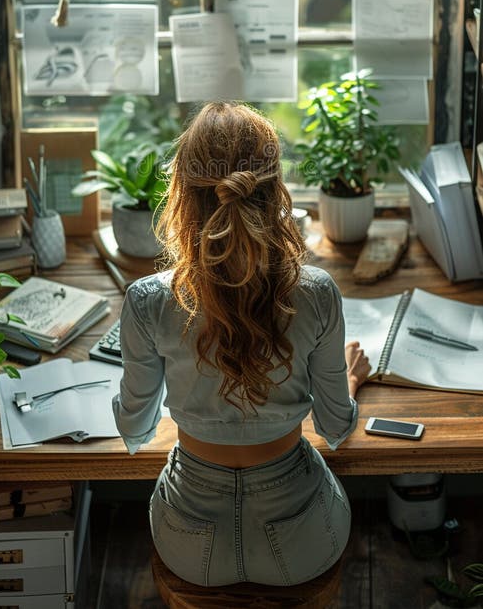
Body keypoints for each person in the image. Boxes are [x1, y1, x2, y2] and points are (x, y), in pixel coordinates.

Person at [112, 101, 370, 588]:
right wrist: (351, 381)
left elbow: (135, 429)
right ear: (274, 192)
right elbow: (336, 427)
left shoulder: (148, 301)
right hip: (303, 537)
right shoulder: (316, 292)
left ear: (183, 197)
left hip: (188, 541)